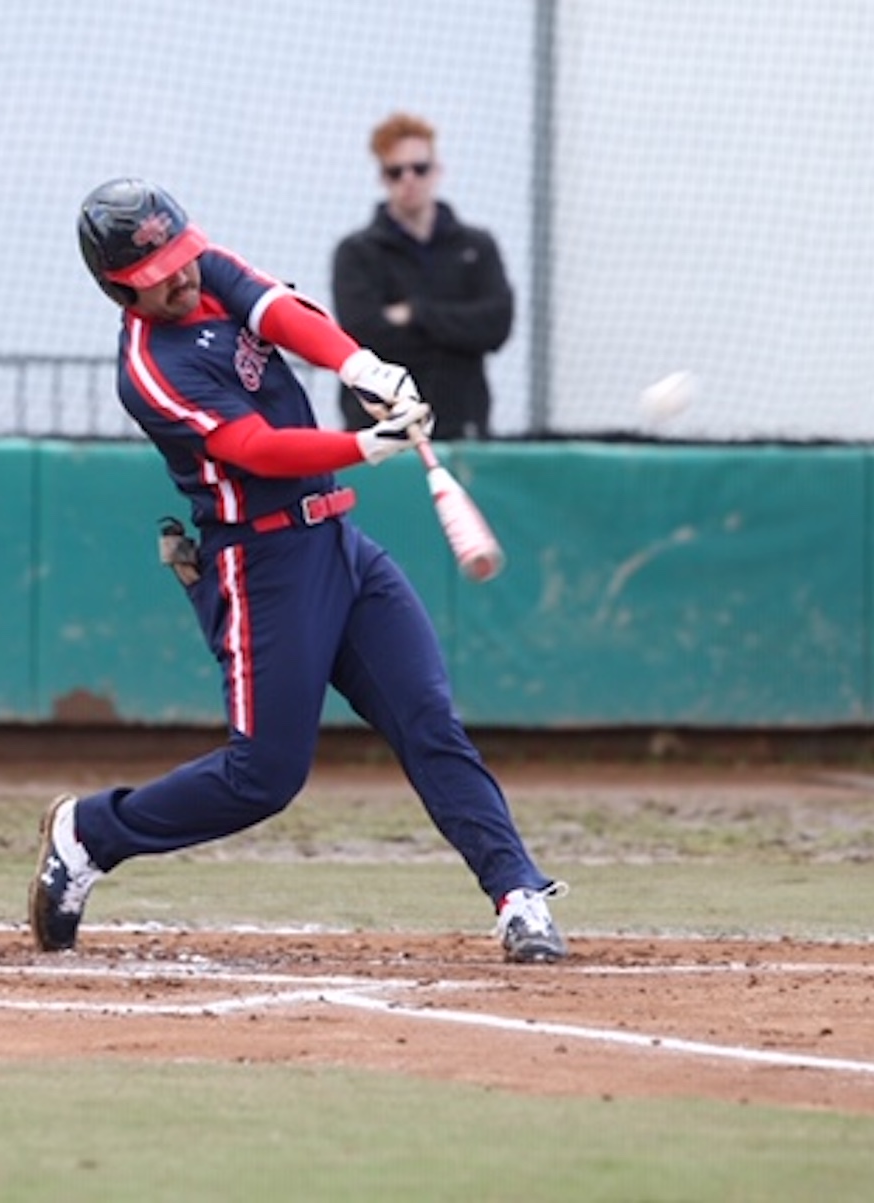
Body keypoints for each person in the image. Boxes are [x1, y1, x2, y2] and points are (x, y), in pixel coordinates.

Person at [31, 177, 565, 964]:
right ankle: (89, 833)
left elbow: (277, 308)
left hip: (338, 543)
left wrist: (361, 365)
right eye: (158, 276)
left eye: (182, 258)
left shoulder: (202, 267)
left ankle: (519, 893)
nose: (183, 277)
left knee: (429, 720)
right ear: (119, 287)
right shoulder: (150, 369)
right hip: (259, 565)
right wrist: (363, 446)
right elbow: (253, 449)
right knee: (264, 775)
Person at [331, 112, 514, 440]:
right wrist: (456, 330)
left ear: (437, 170)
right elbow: (363, 331)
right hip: (381, 432)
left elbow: (496, 325)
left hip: (461, 426)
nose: (409, 179)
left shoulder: (476, 247)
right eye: (396, 171)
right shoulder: (357, 253)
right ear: (383, 178)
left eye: (420, 168)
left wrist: (415, 313)